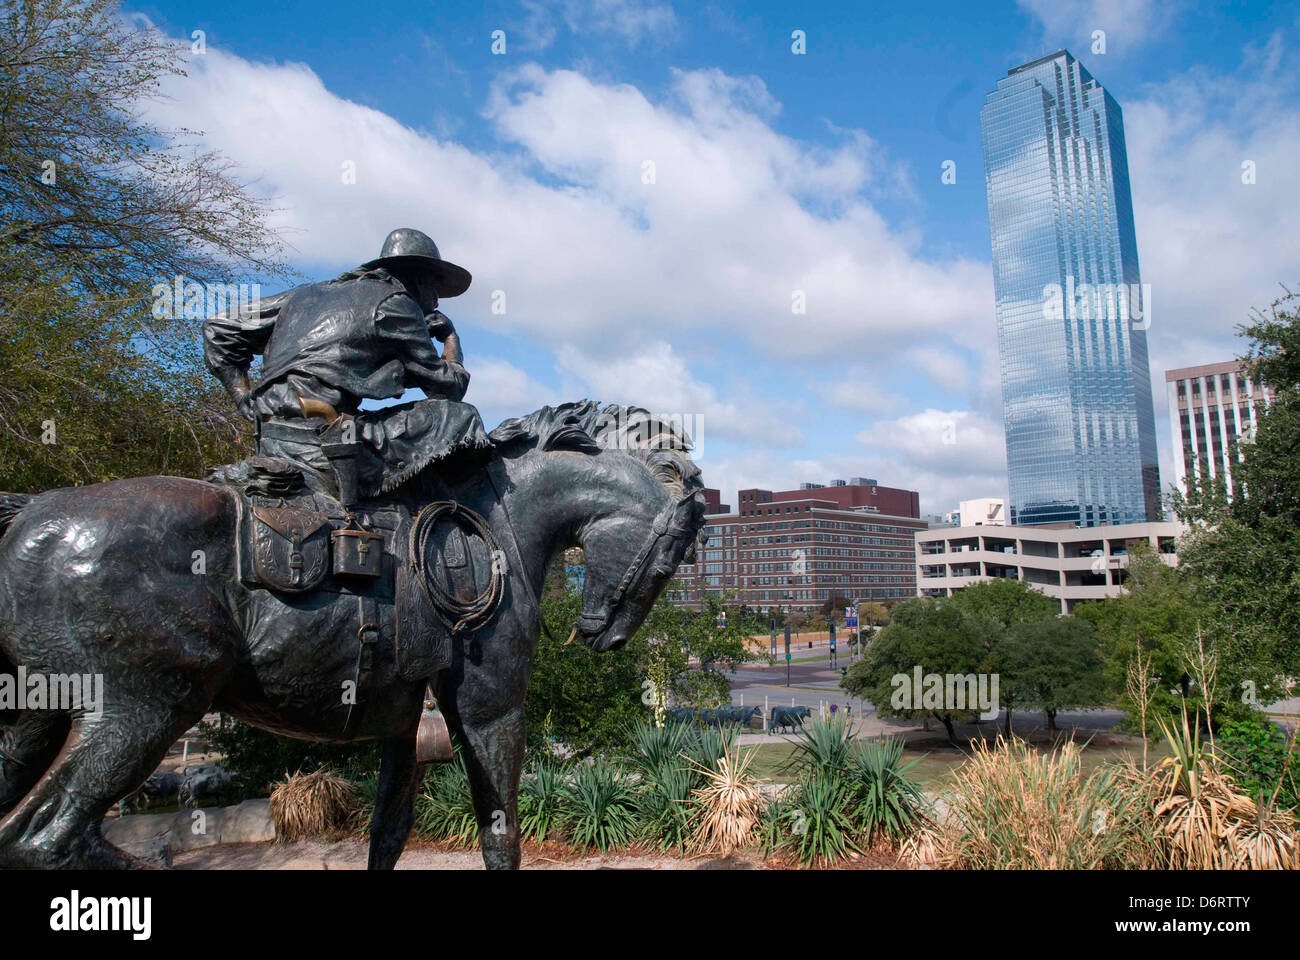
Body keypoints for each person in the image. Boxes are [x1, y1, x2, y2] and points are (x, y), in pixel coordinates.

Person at [204, 228, 489, 504]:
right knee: (460, 416)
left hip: (270, 435)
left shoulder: (303, 294)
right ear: (419, 279)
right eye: (435, 287)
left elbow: (218, 328)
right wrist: (451, 338)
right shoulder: (398, 303)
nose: (437, 300)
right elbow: (449, 388)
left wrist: (244, 398)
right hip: (322, 440)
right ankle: (445, 512)